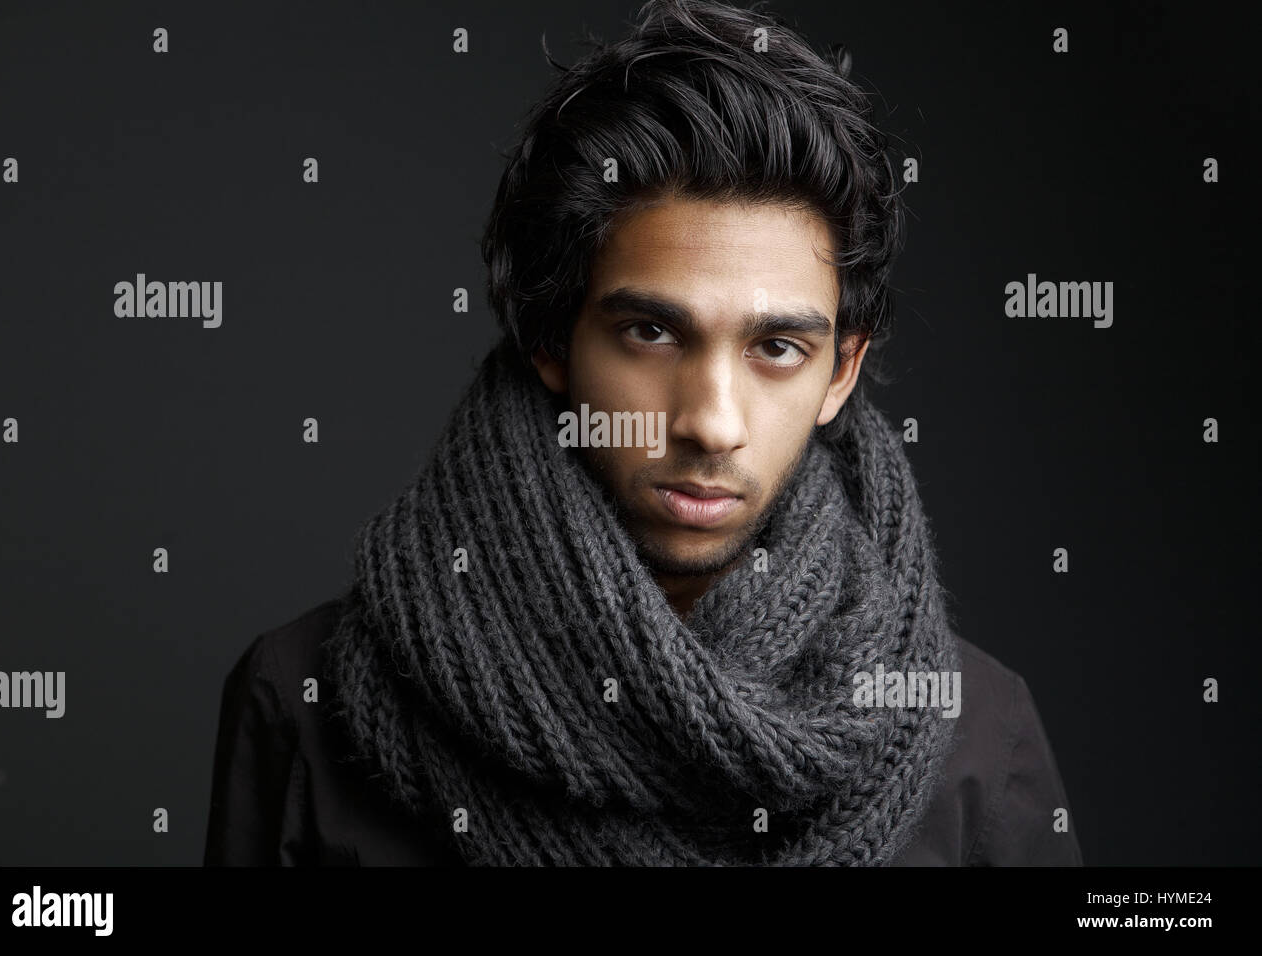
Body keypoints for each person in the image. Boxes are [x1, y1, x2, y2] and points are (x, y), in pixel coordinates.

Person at [204, 0, 1082, 866]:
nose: (711, 421)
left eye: (777, 347)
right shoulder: (305, 698)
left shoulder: (975, 732)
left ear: (840, 373)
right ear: (550, 338)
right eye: (652, 333)